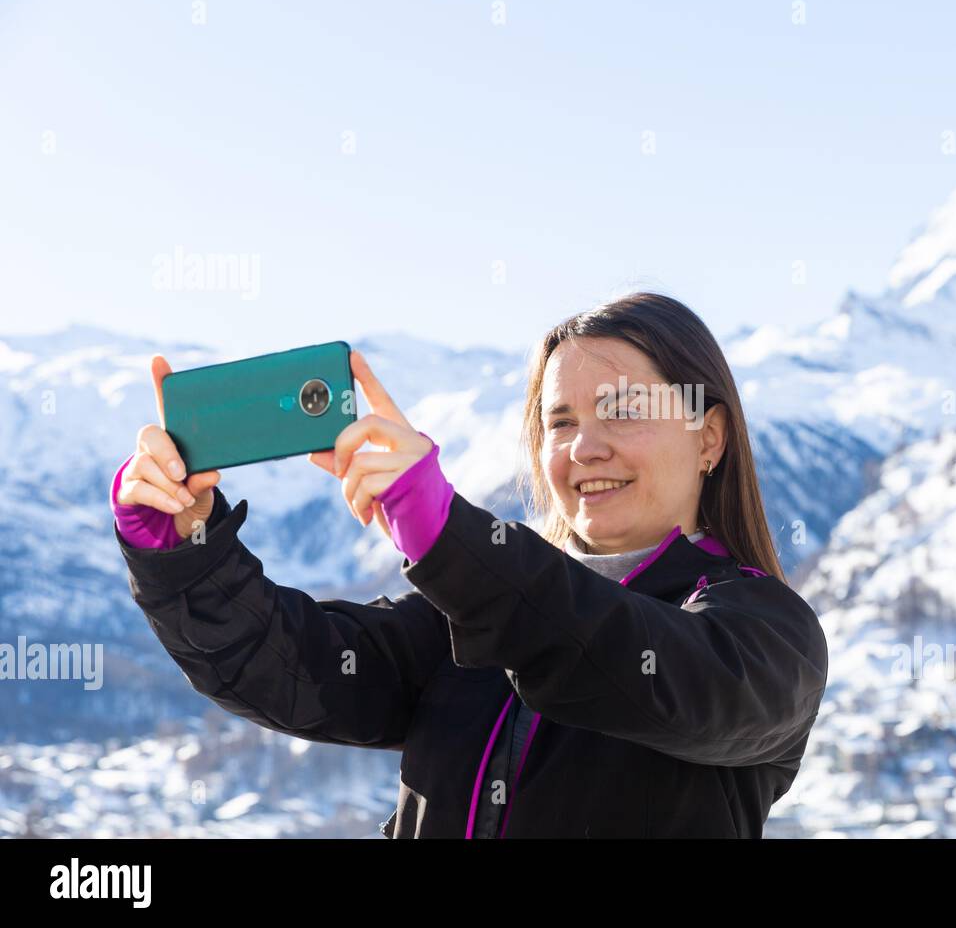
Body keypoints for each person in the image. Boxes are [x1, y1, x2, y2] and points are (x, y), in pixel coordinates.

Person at [110, 292, 829, 838]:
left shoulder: (768, 639)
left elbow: (641, 667)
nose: (584, 448)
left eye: (621, 410)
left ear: (708, 437)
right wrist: (183, 550)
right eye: (562, 422)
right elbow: (296, 672)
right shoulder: (471, 615)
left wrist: (445, 533)